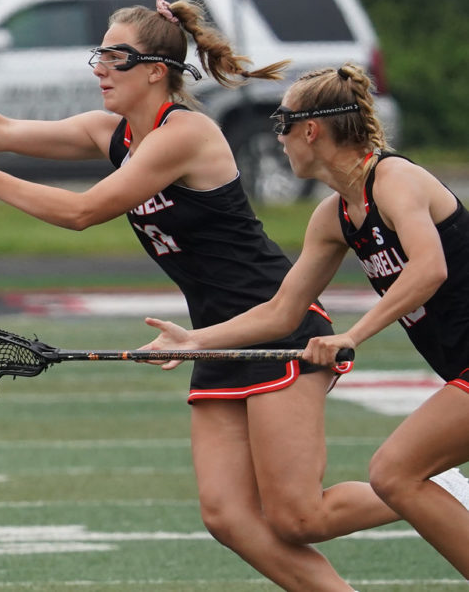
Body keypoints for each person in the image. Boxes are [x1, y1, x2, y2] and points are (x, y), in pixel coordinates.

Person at [0, 0, 405, 591]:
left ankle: (435, 491)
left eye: (115, 56)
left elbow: (84, 211)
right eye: (99, 54)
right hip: (208, 335)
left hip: (274, 327)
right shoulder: (112, 132)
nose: (99, 67)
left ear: (156, 69)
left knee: (298, 516)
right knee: (228, 517)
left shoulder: (184, 133)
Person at [143, 62, 469, 578]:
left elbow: (429, 268)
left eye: (282, 125)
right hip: (460, 371)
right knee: (389, 477)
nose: (280, 139)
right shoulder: (334, 215)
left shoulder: (396, 179)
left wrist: (353, 334)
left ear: (310, 130)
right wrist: (194, 340)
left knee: (394, 471)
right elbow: (282, 310)